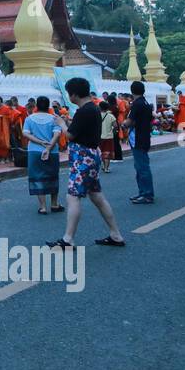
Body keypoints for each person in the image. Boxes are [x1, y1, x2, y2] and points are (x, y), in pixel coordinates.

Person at [47, 77, 125, 248]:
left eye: (69, 93)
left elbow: (69, 135)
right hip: (91, 155)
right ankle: (115, 234)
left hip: (83, 158)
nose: (69, 97)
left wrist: (61, 123)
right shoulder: (92, 108)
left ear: (74, 94)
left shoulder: (84, 111)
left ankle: (68, 239)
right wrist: (69, 123)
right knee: (96, 196)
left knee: (72, 196)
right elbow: (78, 129)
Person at [22, 95, 63, 214]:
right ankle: (54, 204)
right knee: (52, 176)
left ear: (36, 106)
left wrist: (40, 142)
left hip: (34, 151)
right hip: (52, 151)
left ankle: (43, 206)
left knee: (37, 176)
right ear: (48, 105)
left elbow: (26, 134)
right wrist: (49, 147)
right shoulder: (54, 118)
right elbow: (57, 134)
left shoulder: (30, 119)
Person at [127, 80, 156, 204]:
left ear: (132, 91)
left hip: (138, 138)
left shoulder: (137, 104)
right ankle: (142, 192)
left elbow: (129, 121)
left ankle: (147, 194)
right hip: (143, 137)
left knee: (142, 167)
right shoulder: (145, 103)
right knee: (140, 167)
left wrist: (123, 124)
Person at [99, 100, 116, 172]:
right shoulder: (111, 116)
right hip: (109, 137)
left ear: (100, 108)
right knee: (107, 153)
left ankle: (103, 165)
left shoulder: (97, 115)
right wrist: (112, 130)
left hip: (99, 137)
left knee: (102, 152)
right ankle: (106, 168)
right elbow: (115, 126)